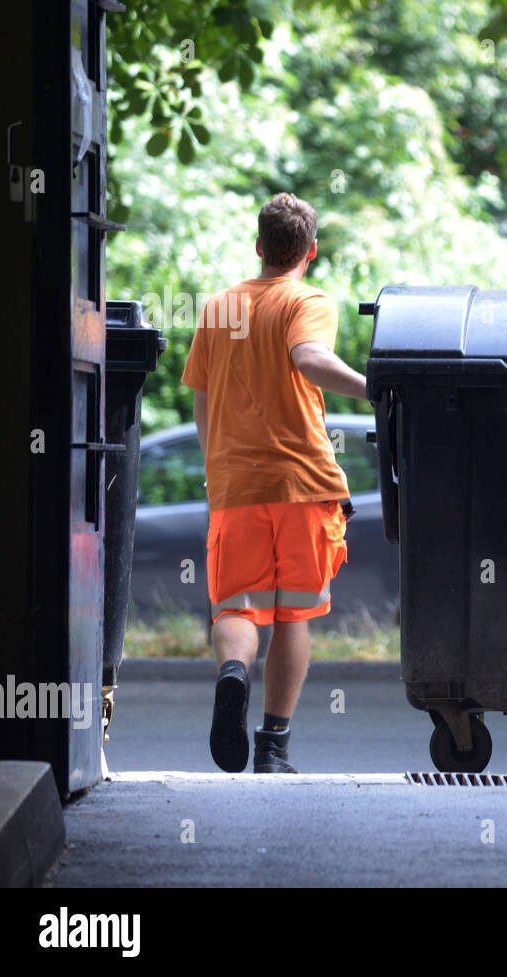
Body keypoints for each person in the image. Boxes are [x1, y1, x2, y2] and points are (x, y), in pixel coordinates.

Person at [182, 192, 369, 774]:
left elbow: (202, 399)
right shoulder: (307, 299)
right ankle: (272, 747)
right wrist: (378, 388)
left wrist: (219, 466)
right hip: (303, 484)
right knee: (293, 615)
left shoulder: (218, 309)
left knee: (236, 606)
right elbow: (310, 359)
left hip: (236, 485)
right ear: (309, 251)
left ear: (259, 246)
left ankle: (233, 674)